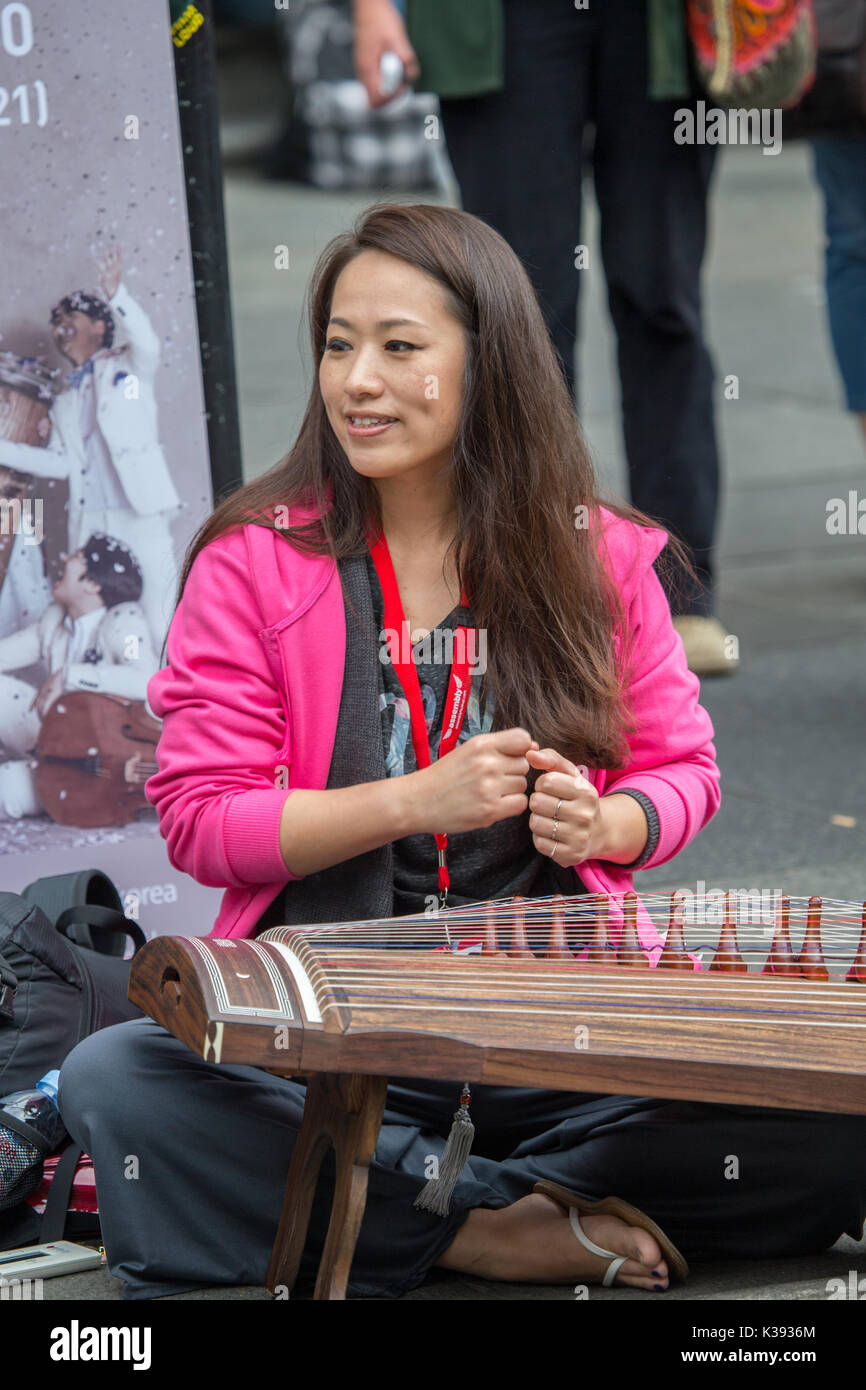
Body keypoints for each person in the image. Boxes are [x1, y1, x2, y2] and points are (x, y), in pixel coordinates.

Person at [58, 205, 865, 1300]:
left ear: (488, 366)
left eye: (399, 346)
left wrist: (611, 820)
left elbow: (685, 773)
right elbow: (203, 820)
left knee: (824, 1109)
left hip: (558, 1034)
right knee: (124, 1081)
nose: (357, 380)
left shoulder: (598, 555)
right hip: (333, 1038)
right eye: (339, 345)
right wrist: (409, 799)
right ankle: (486, 1226)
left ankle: (416, 1199)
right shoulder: (254, 563)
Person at [353, 0, 735, 677]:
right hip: (503, 19)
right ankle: (539, 584)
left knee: (663, 301)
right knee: (522, 313)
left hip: (660, 21)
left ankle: (680, 592)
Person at [0, 248, 182, 649]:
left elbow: (148, 344)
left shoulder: (130, 367)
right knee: (95, 623)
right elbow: (61, 465)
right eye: (56, 323)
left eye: (71, 320)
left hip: (140, 512)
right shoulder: (64, 401)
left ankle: (175, 698)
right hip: (92, 524)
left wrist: (117, 295)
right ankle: (108, 699)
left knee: (161, 615)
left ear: (100, 326)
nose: (60, 328)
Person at [0, 533, 156, 820]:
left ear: (92, 584)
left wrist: (70, 675)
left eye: (78, 557)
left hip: (93, 759)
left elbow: (144, 677)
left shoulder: (127, 626)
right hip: (47, 732)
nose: (64, 559)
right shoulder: (54, 623)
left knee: (7, 790)